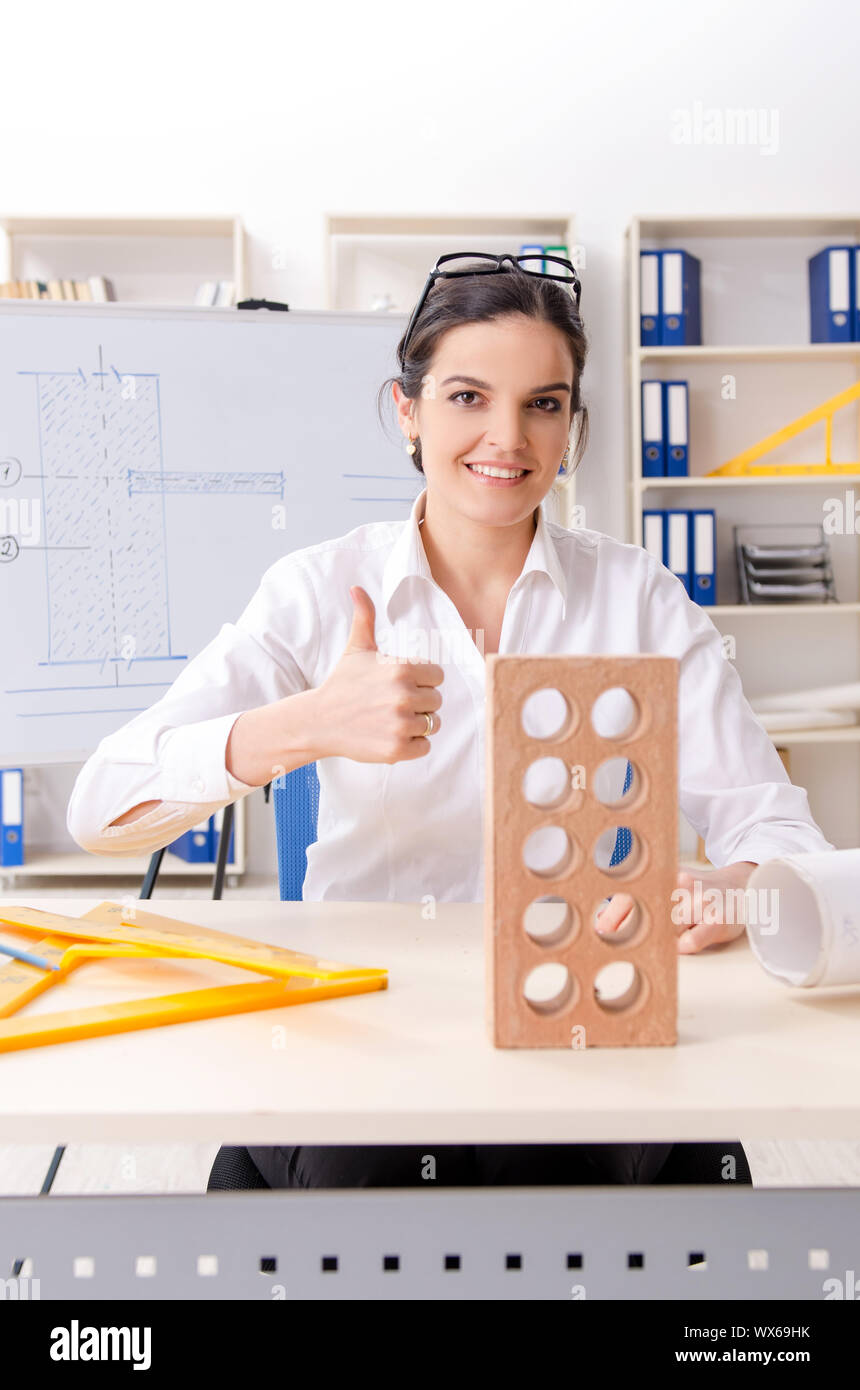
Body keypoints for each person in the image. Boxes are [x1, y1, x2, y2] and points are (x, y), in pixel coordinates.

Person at [67, 253, 834, 1190]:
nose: (507, 438)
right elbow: (100, 807)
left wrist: (735, 884)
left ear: (571, 426)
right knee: (373, 1193)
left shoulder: (636, 595)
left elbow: (776, 825)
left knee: (577, 1186)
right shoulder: (319, 588)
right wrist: (307, 724)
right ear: (408, 411)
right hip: (367, 1019)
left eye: (543, 404)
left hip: (573, 1008)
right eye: (468, 396)